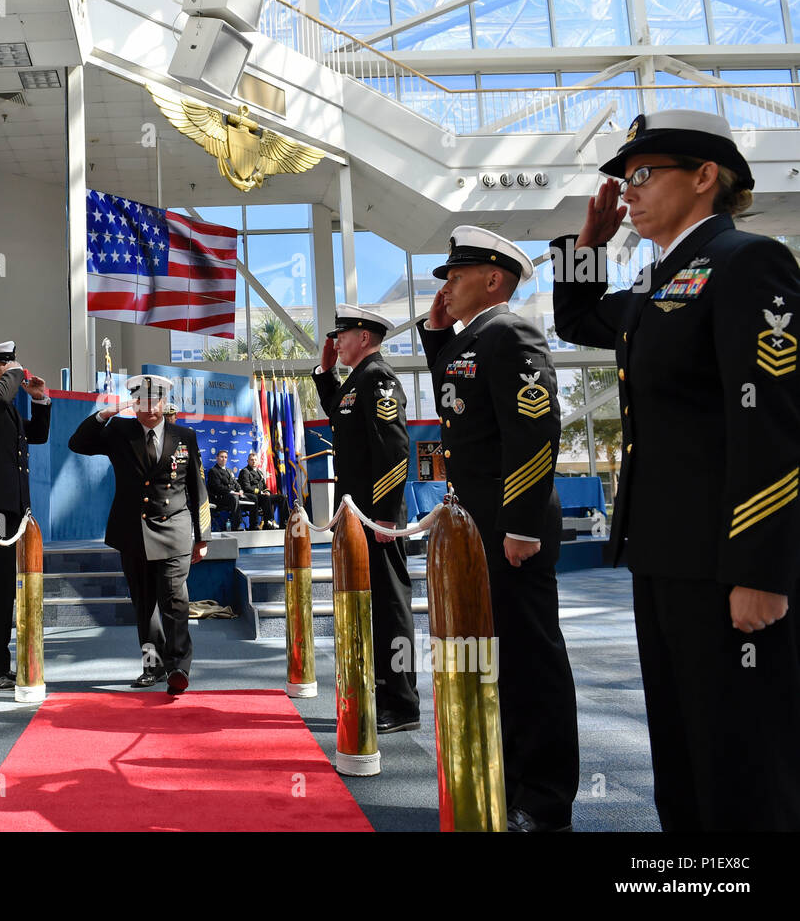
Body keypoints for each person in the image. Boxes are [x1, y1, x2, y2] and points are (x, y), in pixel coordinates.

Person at [551, 110, 800, 830]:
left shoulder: (749, 261)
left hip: (727, 560)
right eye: (624, 179)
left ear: (703, 176)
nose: (626, 191)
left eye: (642, 174)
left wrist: (760, 567)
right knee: (685, 755)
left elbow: (774, 425)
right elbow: (579, 321)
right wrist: (588, 247)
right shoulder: (667, 281)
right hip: (663, 557)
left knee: (743, 761)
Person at [421, 227, 580, 832]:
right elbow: (458, 402)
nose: (446, 286)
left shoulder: (511, 332)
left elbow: (535, 433)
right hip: (481, 529)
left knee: (531, 661)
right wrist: (437, 334)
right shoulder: (475, 340)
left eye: (456, 276)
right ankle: (511, 781)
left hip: (514, 532)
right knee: (501, 659)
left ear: (494, 279)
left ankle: (544, 800)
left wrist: (520, 524)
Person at [313, 305, 420, 734]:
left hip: (376, 518)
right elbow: (341, 414)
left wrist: (386, 517)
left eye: (342, 335)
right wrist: (324, 374)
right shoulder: (358, 380)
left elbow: (394, 448)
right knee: (370, 605)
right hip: (356, 516)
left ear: (364, 336)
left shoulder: (379, 378)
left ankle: (403, 701)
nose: (335, 342)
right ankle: (381, 688)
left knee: (391, 606)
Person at [68, 374, 208, 692]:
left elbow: (198, 488)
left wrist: (203, 537)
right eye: (142, 400)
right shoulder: (119, 431)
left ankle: (179, 667)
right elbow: (78, 443)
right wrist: (104, 414)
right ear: (134, 403)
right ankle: (152, 665)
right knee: (144, 605)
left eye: (155, 399)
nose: (150, 406)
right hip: (133, 531)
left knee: (174, 599)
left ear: (164, 402)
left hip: (174, 530)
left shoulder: (184, 436)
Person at [0, 341, 51, 689]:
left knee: (7, 587)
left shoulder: (4, 407)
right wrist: (11, 381)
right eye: (11, 369)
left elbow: (35, 434)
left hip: (13, 507)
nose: (19, 375)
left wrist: (39, 399)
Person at [238, 452, 282, 529]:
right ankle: (268, 522)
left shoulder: (260, 472)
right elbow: (246, 488)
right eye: (251, 460)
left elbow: (264, 486)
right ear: (248, 461)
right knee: (266, 498)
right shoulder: (245, 471)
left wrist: (267, 491)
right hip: (251, 496)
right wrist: (261, 492)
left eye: (255, 460)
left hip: (262, 496)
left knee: (282, 497)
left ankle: (284, 522)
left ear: (258, 461)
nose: (254, 461)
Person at [206, 450, 246, 531]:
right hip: (220, 498)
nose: (223, 459)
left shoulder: (229, 471)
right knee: (234, 497)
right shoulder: (213, 471)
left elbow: (236, 483)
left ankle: (255, 525)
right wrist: (231, 491)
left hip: (232, 495)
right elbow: (217, 487)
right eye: (221, 457)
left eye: (225, 457)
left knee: (253, 498)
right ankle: (236, 525)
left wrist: (240, 490)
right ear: (217, 458)